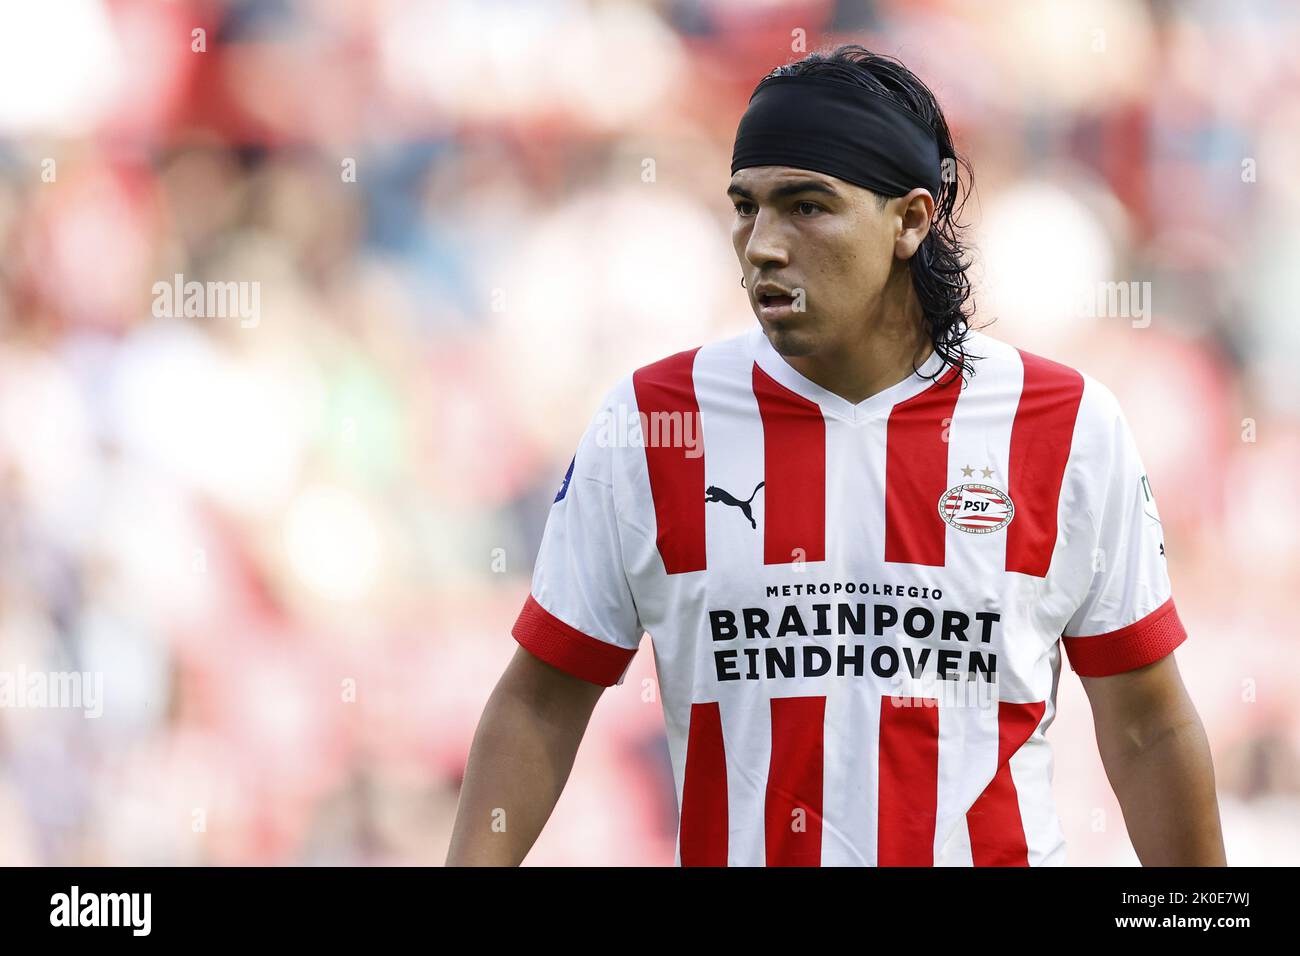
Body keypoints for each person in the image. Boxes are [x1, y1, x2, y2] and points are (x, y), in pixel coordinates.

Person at [446, 44, 1226, 867]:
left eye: (806, 207)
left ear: (912, 220)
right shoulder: (651, 423)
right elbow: (539, 702)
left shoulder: (1066, 426)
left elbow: (1146, 721)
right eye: (745, 208)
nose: (762, 246)